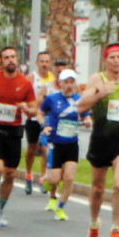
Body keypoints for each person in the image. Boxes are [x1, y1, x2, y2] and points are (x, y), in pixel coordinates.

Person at [74, 42, 119, 237]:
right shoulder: (97, 79)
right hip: (101, 138)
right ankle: (94, 225)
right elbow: (81, 106)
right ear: (105, 60)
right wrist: (100, 94)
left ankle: (116, 229)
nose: (117, 61)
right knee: (98, 188)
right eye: (112, 57)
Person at [0, 46, 38, 228]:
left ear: (17, 59)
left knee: (10, 174)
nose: (10, 60)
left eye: (13, 57)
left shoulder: (25, 83)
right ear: (1, 61)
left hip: (14, 131)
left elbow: (34, 108)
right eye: (6, 57)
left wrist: (28, 110)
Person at [38, 69, 84, 220]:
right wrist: (44, 126)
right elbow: (40, 112)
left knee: (70, 177)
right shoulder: (52, 99)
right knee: (54, 179)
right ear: (60, 84)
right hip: (55, 143)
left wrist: (89, 121)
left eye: (72, 82)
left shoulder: (79, 99)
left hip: (72, 143)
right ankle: (46, 179)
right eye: (66, 82)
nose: (69, 85)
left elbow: (86, 115)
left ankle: (61, 207)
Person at [23, 50, 58, 194]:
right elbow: (23, 92)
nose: (44, 64)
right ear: (37, 63)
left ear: (50, 63)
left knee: (45, 149)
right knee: (32, 148)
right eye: (42, 61)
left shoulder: (54, 78)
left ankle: (43, 178)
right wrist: (28, 107)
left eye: (47, 61)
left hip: (48, 118)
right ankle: (28, 174)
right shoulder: (32, 77)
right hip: (33, 117)